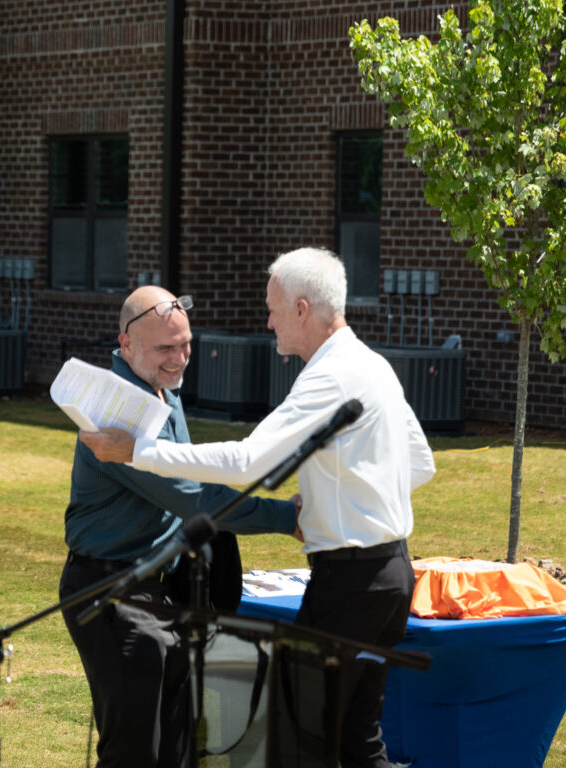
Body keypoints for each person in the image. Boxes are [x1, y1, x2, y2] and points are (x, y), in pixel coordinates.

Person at [79, 247, 436, 768]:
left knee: (295, 739)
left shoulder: (327, 376)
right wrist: (350, 494)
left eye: (271, 308)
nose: (266, 321)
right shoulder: (373, 364)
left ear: (301, 310)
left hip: (348, 582)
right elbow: (420, 463)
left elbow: (247, 461)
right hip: (392, 574)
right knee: (359, 743)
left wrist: (137, 451)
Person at [59, 285, 300, 768]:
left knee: (178, 748)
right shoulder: (116, 410)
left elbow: (193, 476)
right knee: (133, 752)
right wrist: (286, 517)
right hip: (111, 591)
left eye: (185, 343)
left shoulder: (161, 389)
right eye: (165, 348)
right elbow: (196, 499)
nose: (180, 358)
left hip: (157, 590)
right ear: (126, 345)